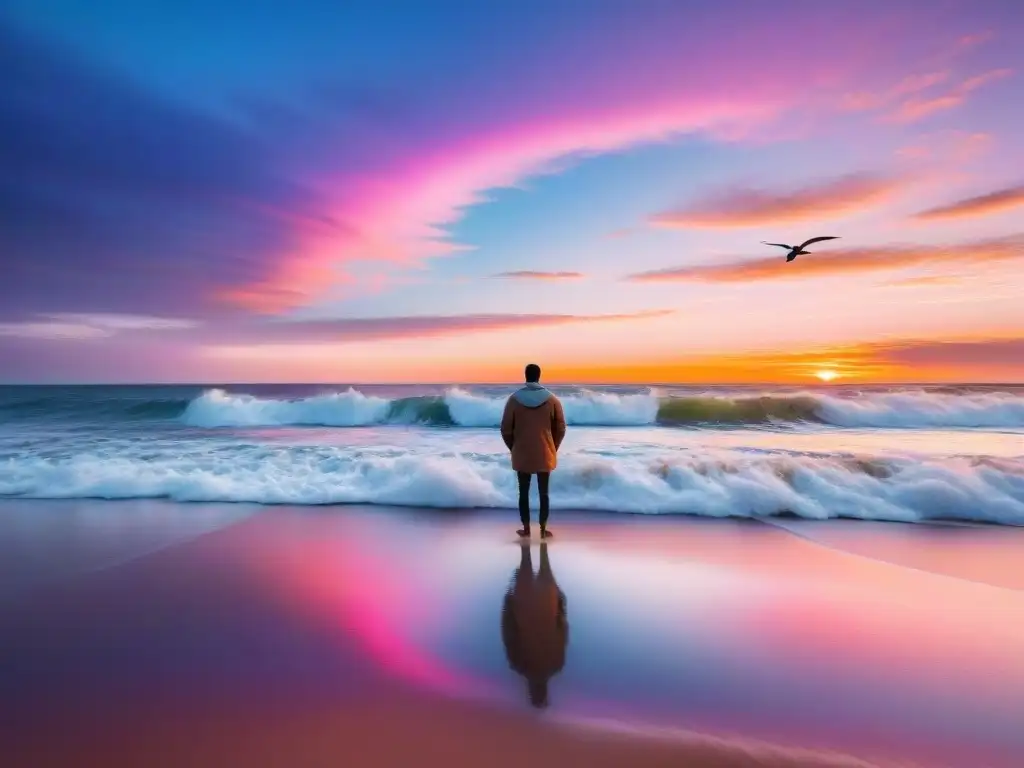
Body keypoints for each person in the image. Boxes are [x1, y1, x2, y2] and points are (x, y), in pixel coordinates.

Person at [500, 363, 566, 539]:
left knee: (523, 492)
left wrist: (514, 447)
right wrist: (553, 447)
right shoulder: (552, 400)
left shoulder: (514, 400)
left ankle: (526, 528)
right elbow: (560, 428)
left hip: (522, 452)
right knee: (544, 493)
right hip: (545, 452)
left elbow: (505, 429)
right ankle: (543, 530)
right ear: (539, 376)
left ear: (525, 375)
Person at [500, 542, 568, 708]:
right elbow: (508, 631)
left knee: (543, 561)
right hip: (525, 606)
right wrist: (508, 603)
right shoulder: (519, 664)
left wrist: (560, 603)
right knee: (527, 559)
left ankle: (538, 535)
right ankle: (531, 534)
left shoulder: (556, 664)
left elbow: (562, 630)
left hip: (546, 606)